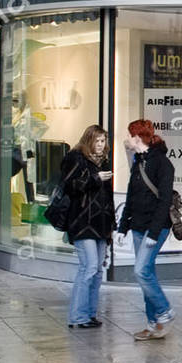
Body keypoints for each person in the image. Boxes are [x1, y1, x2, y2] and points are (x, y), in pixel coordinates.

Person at [119, 119, 175, 340]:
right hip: (138, 227)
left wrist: (153, 233)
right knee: (146, 274)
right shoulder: (138, 161)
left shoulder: (163, 164)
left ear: (137, 138)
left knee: (140, 271)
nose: (127, 140)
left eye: (129, 136)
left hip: (156, 228)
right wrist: (123, 226)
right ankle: (153, 324)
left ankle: (165, 311)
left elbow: (164, 201)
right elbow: (131, 196)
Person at [61, 125, 114, 330]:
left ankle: (89, 313)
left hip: (101, 222)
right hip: (82, 222)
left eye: (103, 141)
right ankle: (77, 316)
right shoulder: (75, 158)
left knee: (98, 269)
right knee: (89, 267)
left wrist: (111, 223)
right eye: (98, 141)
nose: (101, 145)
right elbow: (69, 186)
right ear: (89, 140)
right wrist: (94, 178)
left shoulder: (104, 162)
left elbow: (107, 197)